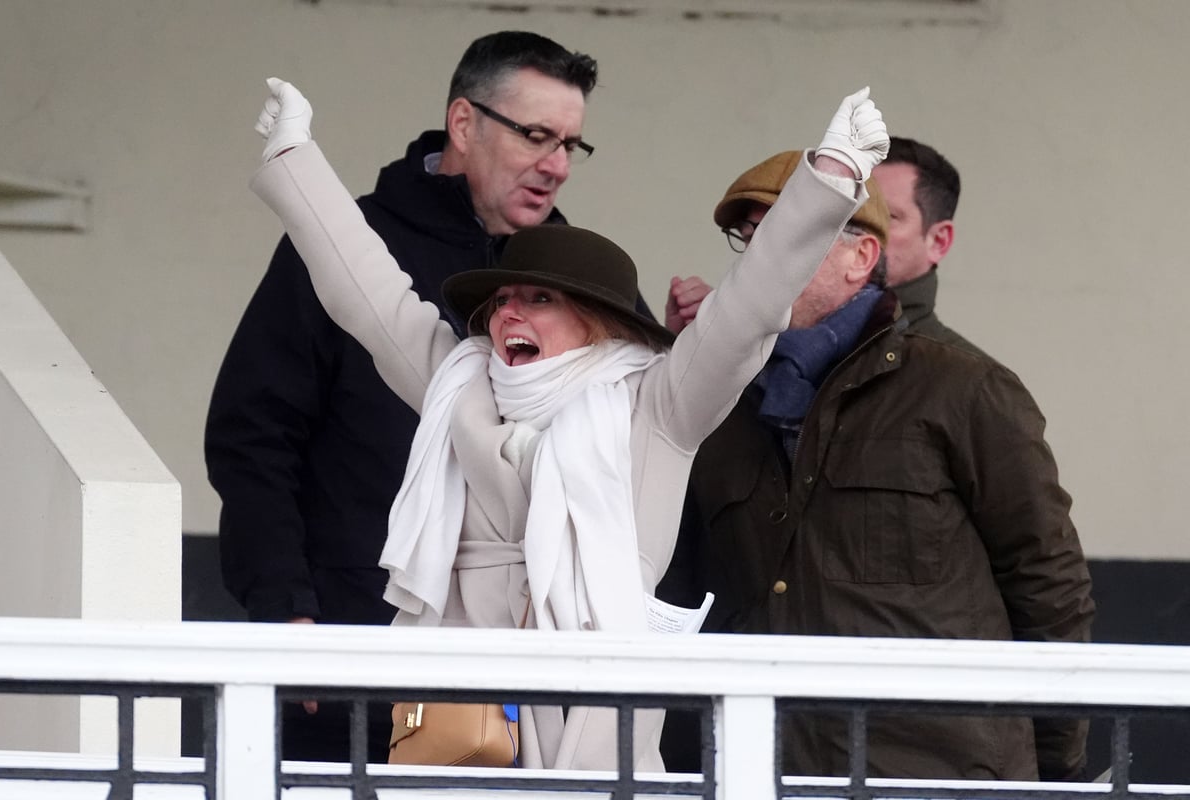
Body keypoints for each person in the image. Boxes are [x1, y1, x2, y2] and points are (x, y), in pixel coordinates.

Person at [247, 77, 888, 769]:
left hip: (596, 739)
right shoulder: (460, 384)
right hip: (464, 742)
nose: (508, 313)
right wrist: (293, 155)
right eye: (502, 299)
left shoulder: (658, 403)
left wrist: (831, 176)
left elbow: (749, 306)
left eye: (539, 299)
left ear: (599, 324)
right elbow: (368, 292)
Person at [204, 31, 606, 762]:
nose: (556, 165)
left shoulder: (582, 279)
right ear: (464, 123)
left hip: (533, 678)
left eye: (570, 145)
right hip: (351, 657)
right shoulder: (352, 243)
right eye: (536, 136)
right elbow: (253, 435)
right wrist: (286, 609)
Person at [659, 149, 1095, 780]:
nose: (759, 260)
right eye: (751, 239)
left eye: (789, 236)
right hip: (754, 768)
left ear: (862, 257)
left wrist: (1055, 777)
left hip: (933, 776)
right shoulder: (717, 395)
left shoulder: (963, 386)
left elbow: (1048, 583)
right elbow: (677, 590)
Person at [871, 135, 985, 354]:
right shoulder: (802, 346)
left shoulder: (967, 374)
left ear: (938, 242)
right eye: (848, 213)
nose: (856, 229)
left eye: (885, 216)